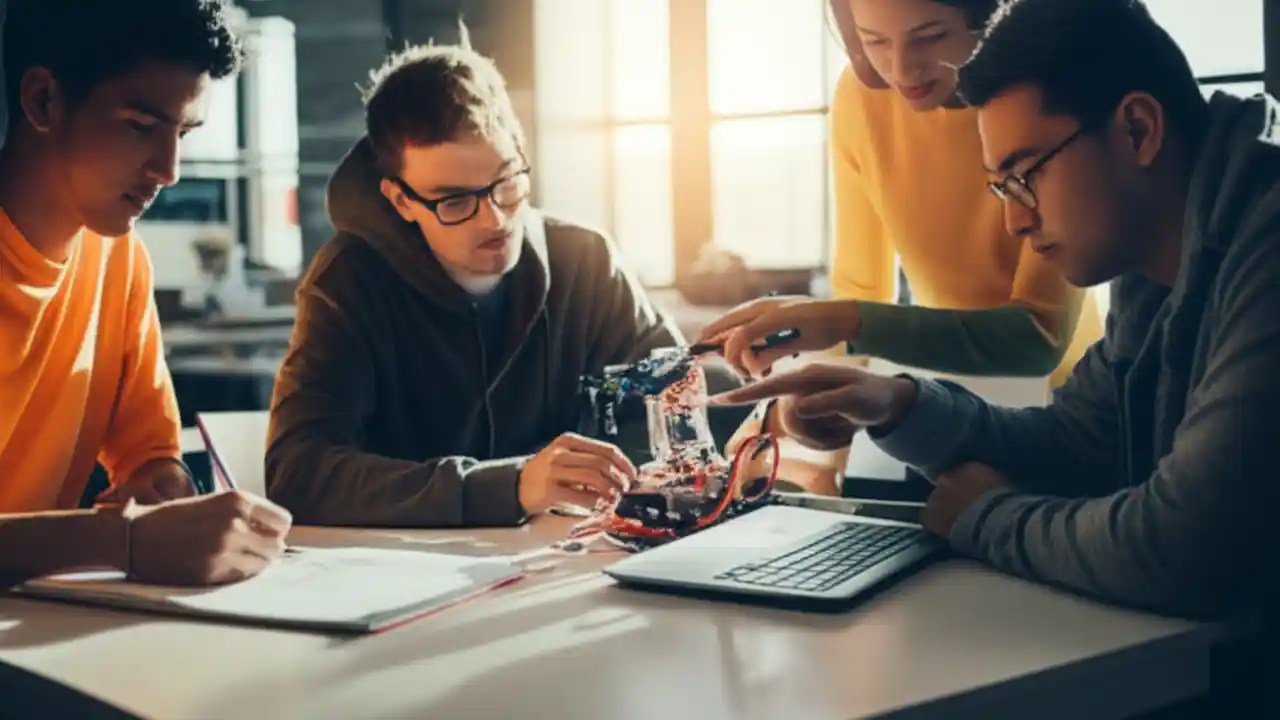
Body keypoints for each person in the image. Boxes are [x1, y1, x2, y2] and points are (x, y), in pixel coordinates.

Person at [712, 0, 1280, 622]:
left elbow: (1183, 548)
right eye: (1001, 189)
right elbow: (1081, 443)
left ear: (1138, 130)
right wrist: (898, 406)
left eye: (1025, 175)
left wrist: (983, 518)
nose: (1015, 220)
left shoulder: (1264, 245)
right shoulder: (1156, 258)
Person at [266, 42, 740, 527]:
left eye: (506, 182)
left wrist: (759, 405)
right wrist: (509, 486)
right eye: (452, 202)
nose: (493, 220)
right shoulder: (349, 280)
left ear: (520, 150)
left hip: (560, 557)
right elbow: (298, 472)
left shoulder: (585, 260)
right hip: (407, 571)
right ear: (401, 200)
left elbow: (676, 393)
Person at [0, 0, 291, 587]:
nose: (169, 169)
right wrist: (121, 540)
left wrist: (162, 490)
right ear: (42, 101)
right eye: (140, 125)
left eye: (183, 133)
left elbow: (150, 460)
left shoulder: (118, 256)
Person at [699, 0, 1103, 383]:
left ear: (987, 13)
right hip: (946, 394)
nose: (902, 70)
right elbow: (860, 292)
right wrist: (804, 411)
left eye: (930, 37)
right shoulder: (862, 99)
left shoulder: (1045, 97)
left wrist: (839, 322)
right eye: (874, 40)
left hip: (1072, 404)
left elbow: (1039, 339)